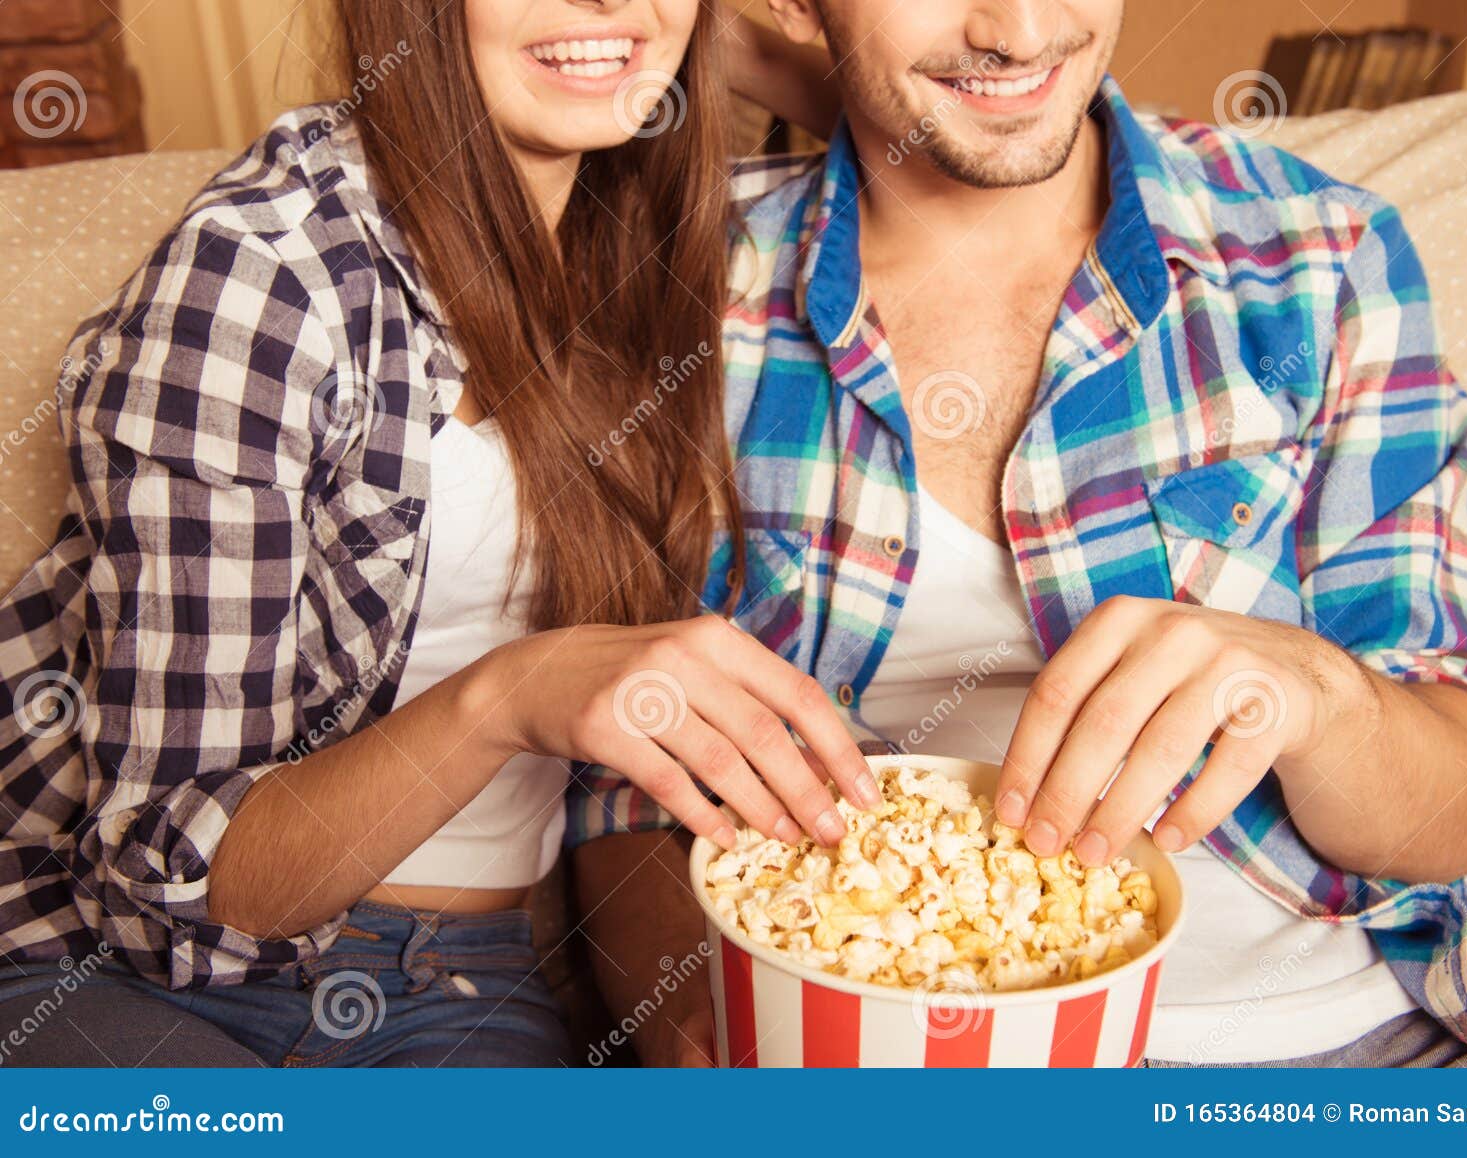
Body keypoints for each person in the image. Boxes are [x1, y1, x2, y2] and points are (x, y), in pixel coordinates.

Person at [570, 0, 1467, 1068]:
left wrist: (1309, 691)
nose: (1016, 30)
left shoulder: (1321, 255)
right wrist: (698, 1022)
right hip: (895, 1059)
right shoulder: (679, 294)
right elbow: (622, 788)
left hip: (1345, 1054)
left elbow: (1464, 809)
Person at [0, 0, 875, 1068]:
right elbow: (169, 899)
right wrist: (508, 700)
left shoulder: (653, 219)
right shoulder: (263, 273)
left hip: (457, 978)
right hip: (107, 967)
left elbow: (944, 117)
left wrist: (671, 34)